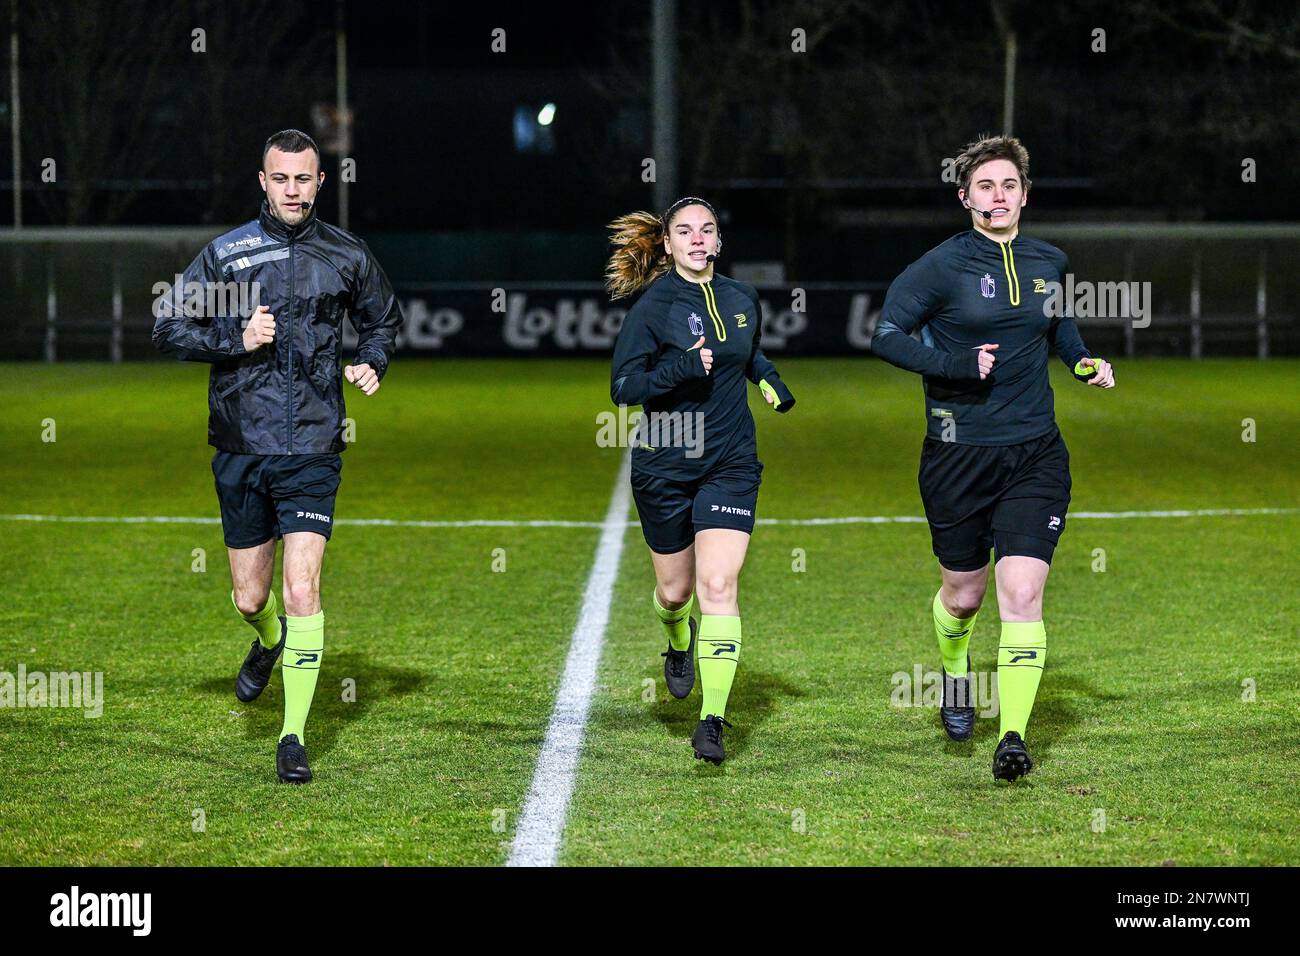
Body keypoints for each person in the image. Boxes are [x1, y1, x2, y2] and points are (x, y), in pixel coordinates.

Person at [152, 129, 401, 783]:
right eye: (281, 179)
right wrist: (236, 334)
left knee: (303, 587)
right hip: (241, 443)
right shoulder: (227, 254)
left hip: (315, 445)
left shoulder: (345, 253)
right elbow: (168, 325)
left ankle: (292, 737)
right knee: (250, 595)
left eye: (304, 179)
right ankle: (268, 640)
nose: (293, 190)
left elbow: (383, 318)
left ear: (322, 182)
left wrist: (372, 358)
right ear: (262, 182)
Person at [870, 135, 1115, 781]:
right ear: (965, 196)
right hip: (958, 454)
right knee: (965, 593)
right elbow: (886, 334)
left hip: (1036, 451)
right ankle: (955, 677)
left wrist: (1083, 362)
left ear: (1025, 195)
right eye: (985, 186)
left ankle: (1012, 735)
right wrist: (954, 364)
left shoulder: (1050, 261)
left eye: (1009, 186)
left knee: (1024, 591)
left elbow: (1059, 326)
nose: (998, 196)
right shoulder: (940, 266)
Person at [606, 196, 795, 764]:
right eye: (683, 231)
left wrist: (769, 379)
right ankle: (677, 639)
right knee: (676, 593)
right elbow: (623, 387)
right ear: (666, 244)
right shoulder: (652, 307)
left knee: (718, 588)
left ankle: (712, 720)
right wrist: (683, 367)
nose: (696, 239)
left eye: (706, 230)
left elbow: (747, 352)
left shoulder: (743, 298)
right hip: (665, 464)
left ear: (717, 241)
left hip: (730, 463)